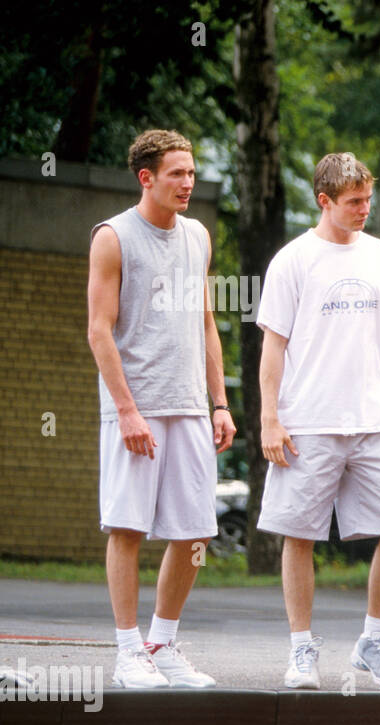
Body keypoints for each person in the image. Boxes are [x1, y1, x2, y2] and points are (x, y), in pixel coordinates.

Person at [257, 153, 380, 691]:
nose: (363, 210)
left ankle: (374, 639)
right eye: (353, 202)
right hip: (308, 420)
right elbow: (273, 346)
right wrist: (269, 418)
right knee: (298, 535)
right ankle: (302, 650)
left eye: (367, 199)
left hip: (374, 419)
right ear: (323, 200)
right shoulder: (293, 260)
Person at [87, 129, 236, 689]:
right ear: (146, 177)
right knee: (127, 527)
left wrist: (219, 403)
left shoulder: (198, 235)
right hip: (137, 407)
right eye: (176, 173)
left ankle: (163, 643)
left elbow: (204, 323)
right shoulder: (113, 237)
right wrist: (126, 410)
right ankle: (128, 653)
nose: (188, 182)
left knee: (195, 532)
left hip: (191, 408)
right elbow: (98, 331)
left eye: (192, 173)